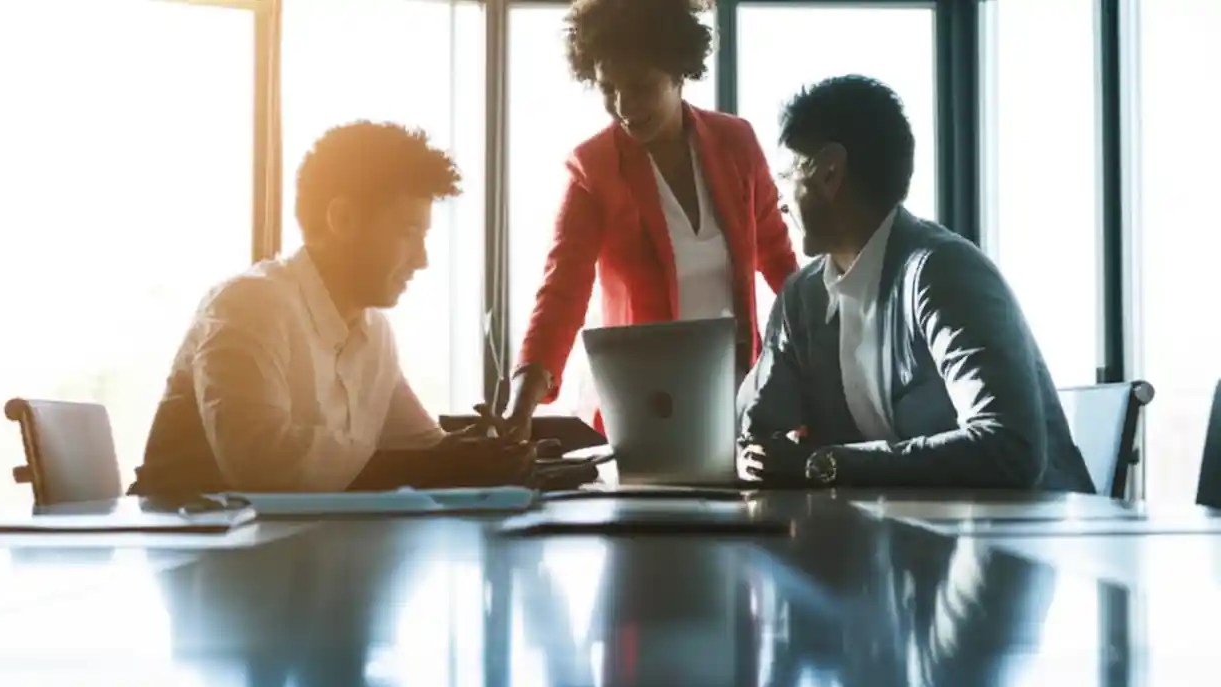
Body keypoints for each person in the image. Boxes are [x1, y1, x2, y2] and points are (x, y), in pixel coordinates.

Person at [133, 122, 533, 496]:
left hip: (285, 552)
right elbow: (261, 466)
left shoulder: (374, 332)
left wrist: (507, 458)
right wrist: (438, 465)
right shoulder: (250, 304)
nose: (422, 258)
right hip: (189, 552)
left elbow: (423, 449)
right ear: (342, 219)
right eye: (408, 232)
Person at [738, 75, 1093, 492]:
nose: (779, 202)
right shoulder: (803, 297)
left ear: (830, 172)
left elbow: (1007, 448)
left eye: (784, 177)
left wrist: (826, 463)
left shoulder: (943, 272)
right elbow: (753, 430)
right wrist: (752, 454)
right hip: (902, 542)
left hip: (1026, 540)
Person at [501, 0, 798, 439]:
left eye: (639, 87)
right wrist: (520, 404)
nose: (623, 105)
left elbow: (777, 257)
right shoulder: (592, 169)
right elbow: (561, 293)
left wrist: (828, 347)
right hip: (639, 407)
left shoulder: (736, 143)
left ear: (679, 73)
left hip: (734, 393)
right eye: (608, 88)